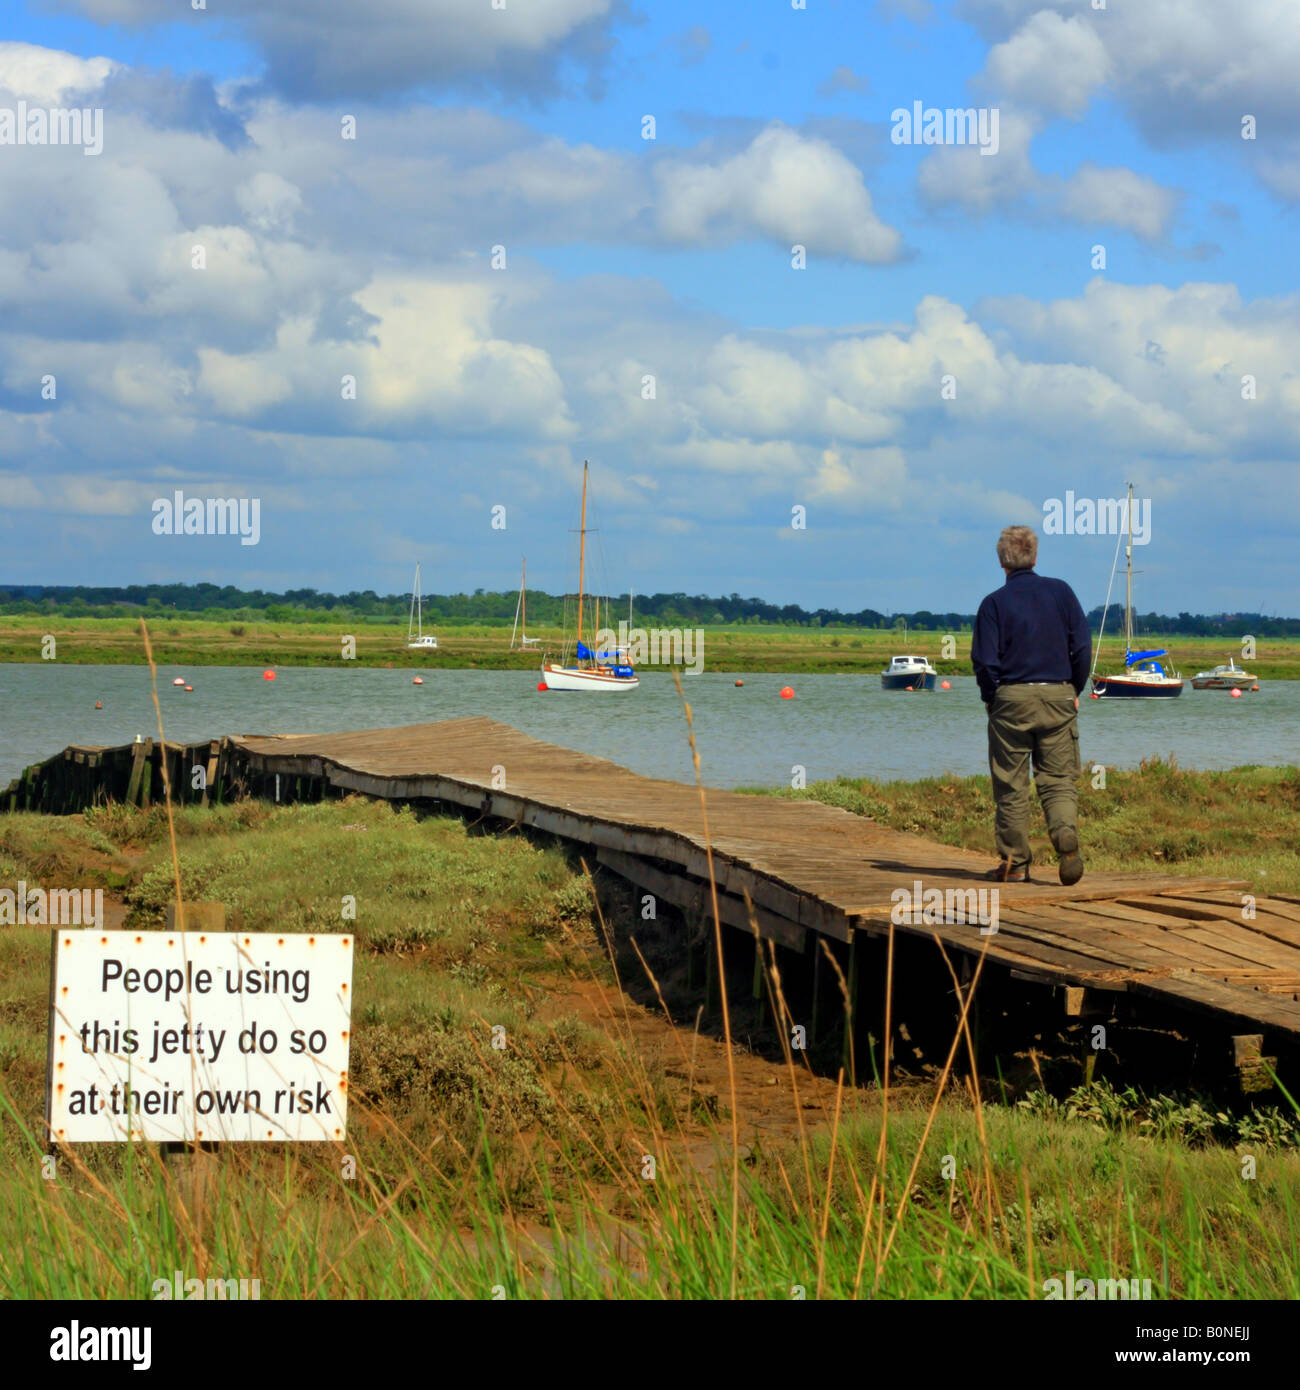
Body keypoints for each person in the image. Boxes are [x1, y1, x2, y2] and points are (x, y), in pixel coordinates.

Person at [971, 525, 1090, 884]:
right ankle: (1064, 833)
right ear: (1035, 557)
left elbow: (984, 662)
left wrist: (993, 699)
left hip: (1011, 698)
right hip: (1058, 695)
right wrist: (1074, 690)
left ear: (1001, 562)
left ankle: (1015, 864)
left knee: (1011, 785)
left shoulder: (993, 604)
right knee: (1057, 780)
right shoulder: (1062, 592)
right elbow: (1082, 648)